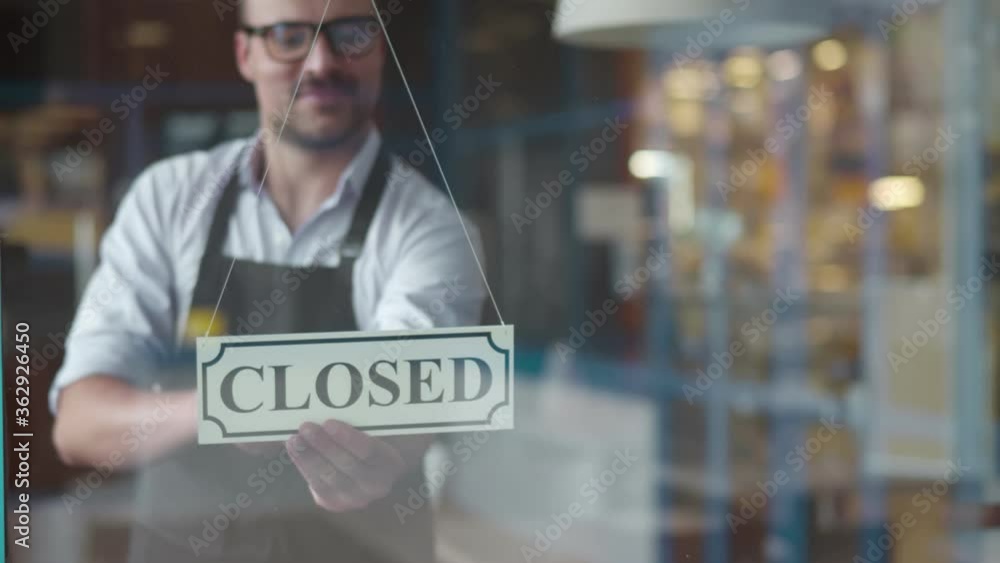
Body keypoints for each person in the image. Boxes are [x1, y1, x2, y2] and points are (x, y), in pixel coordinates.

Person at [49, 0, 486, 561]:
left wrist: (373, 456)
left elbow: (407, 412)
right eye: (288, 36)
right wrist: (221, 405)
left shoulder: (432, 228)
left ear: (380, 50)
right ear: (245, 52)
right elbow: (81, 425)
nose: (321, 63)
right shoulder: (168, 200)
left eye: (350, 35)